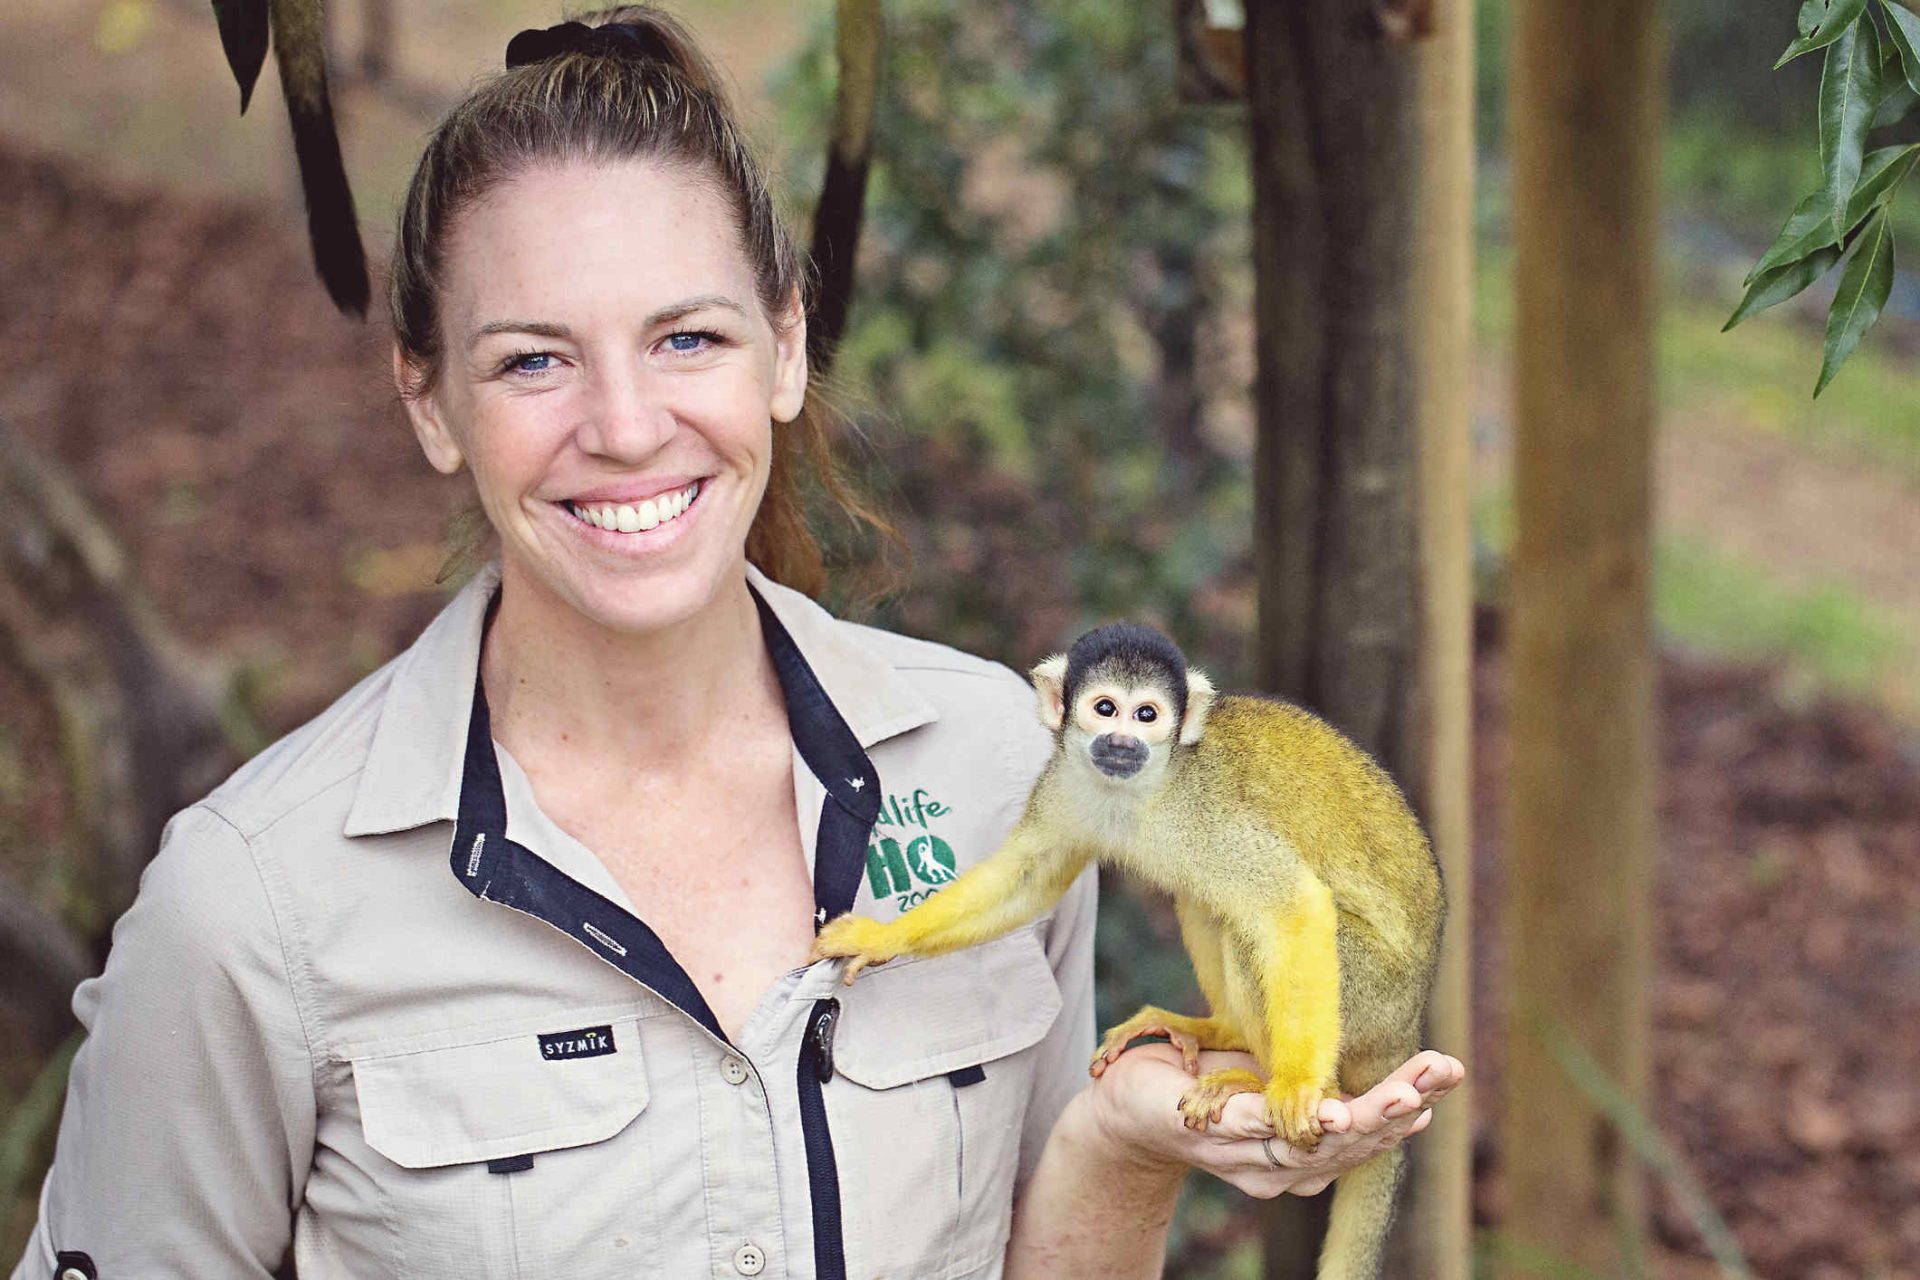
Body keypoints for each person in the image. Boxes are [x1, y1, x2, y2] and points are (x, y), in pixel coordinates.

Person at [10, 7, 1462, 1278]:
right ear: (430, 402)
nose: (627, 427)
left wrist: (1126, 1147)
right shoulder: (258, 902)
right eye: (532, 359)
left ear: (789, 346)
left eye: (688, 339)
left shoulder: (986, 769)